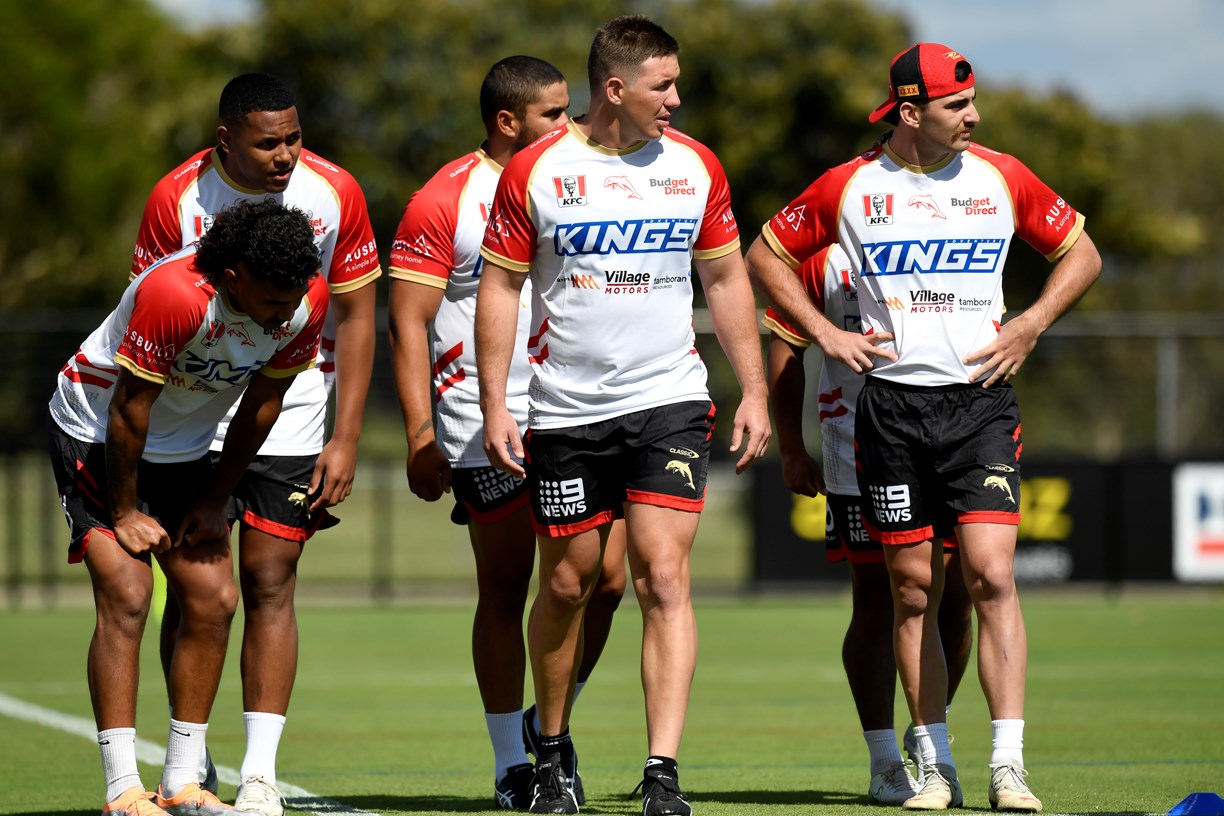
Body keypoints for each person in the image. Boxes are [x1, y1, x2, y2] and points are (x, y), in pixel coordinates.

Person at [746, 42, 1101, 811]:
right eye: (956, 106)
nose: (974, 117)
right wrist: (827, 334)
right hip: (890, 415)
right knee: (908, 592)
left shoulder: (1001, 176)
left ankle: (1010, 766)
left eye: (972, 104)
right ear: (910, 113)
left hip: (979, 405)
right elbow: (764, 254)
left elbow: (1083, 252)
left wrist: (1033, 322)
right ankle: (930, 765)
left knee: (990, 576)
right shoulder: (850, 186)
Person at [475, 15, 771, 816]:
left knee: (664, 577)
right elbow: (500, 288)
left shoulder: (696, 167)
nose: (677, 99)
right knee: (568, 583)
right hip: (565, 411)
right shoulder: (536, 170)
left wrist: (754, 388)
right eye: (663, 86)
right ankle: (552, 748)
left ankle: (662, 773)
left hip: (669, 400)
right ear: (615, 89)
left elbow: (728, 281)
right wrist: (496, 402)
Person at [131, 73, 381, 816]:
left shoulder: (336, 193)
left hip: (292, 398)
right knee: (196, 585)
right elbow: (155, 308)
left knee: (271, 578)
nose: (285, 155)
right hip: (191, 411)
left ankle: (261, 775)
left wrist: (347, 433)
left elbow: (359, 315)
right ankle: (188, 752)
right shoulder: (175, 199)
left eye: (294, 138)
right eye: (268, 142)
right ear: (225, 142)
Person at [387, 55, 627, 810]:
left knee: (608, 580)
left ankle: (546, 725)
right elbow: (407, 321)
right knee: (509, 585)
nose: (571, 122)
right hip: (484, 423)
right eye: (555, 113)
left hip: (581, 409)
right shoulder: (446, 197)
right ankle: (510, 764)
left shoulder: (582, 173)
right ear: (507, 121)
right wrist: (421, 433)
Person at [48, 199, 325, 816]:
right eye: (274, 302)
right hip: (97, 433)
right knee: (128, 593)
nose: (287, 314)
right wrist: (122, 514)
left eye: (293, 300)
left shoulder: (305, 300)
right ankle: (123, 789)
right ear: (234, 280)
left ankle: (181, 782)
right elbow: (127, 411)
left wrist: (214, 498)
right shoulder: (176, 294)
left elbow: (262, 404)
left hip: (183, 449)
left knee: (214, 598)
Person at [763, 244, 974, 804]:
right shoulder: (825, 258)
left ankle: (931, 723)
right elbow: (786, 343)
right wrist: (790, 445)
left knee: (953, 599)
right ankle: (884, 760)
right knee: (879, 602)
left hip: (950, 443)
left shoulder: (952, 229)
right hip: (855, 450)